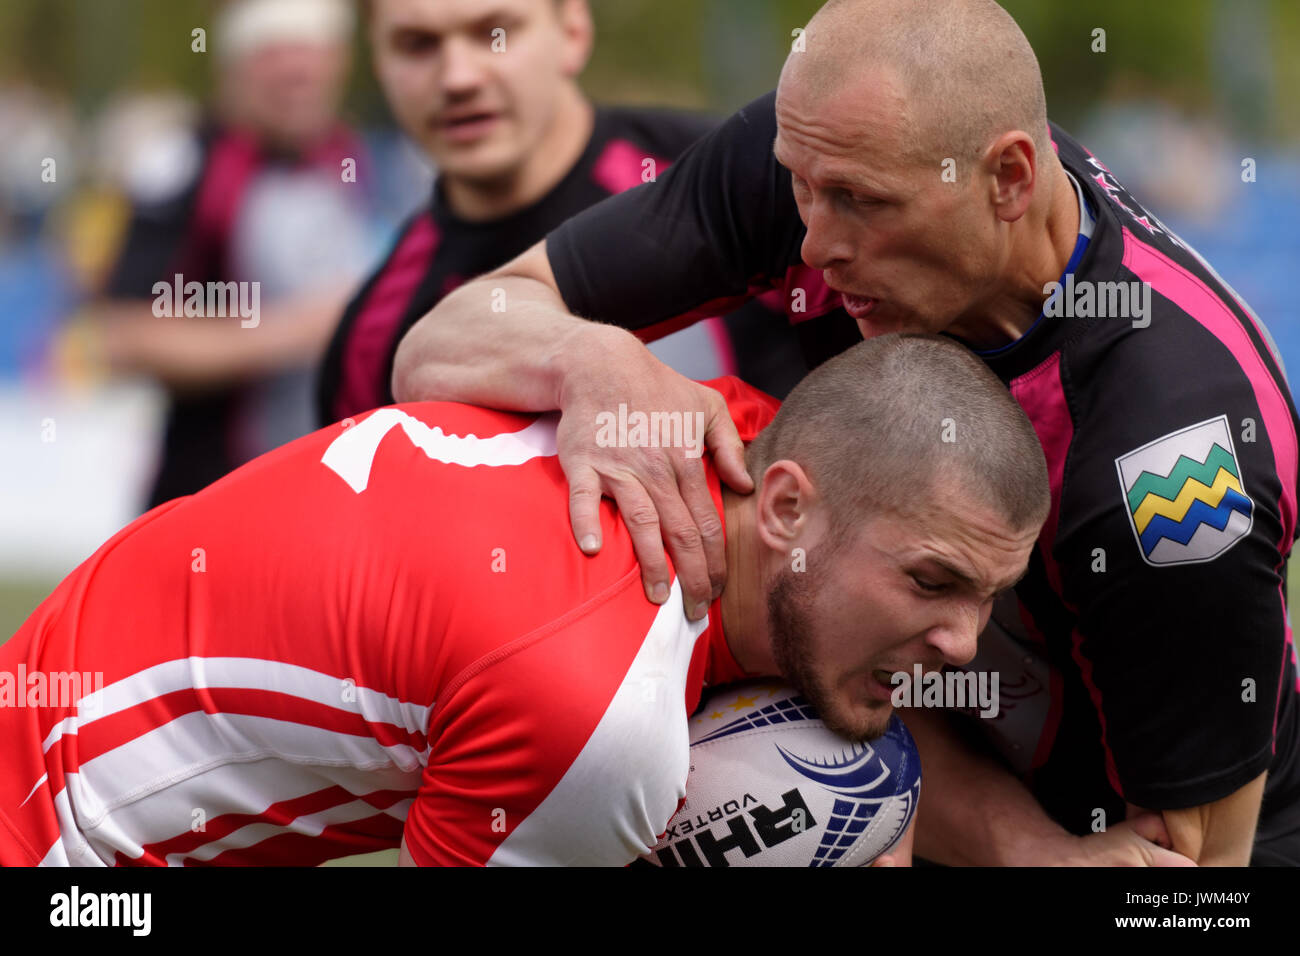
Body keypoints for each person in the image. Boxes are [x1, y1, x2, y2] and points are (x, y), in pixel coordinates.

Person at [392, 0, 1300, 865]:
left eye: (860, 204)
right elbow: (443, 343)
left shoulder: (1170, 471)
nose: (814, 243)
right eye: (801, 188)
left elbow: (1188, 884)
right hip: (926, 773)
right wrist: (599, 369)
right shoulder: (828, 155)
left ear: (1010, 180)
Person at [0, 334, 1050, 866]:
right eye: (929, 582)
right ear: (784, 506)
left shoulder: (718, 429)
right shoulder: (592, 717)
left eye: (984, 595)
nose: (960, 645)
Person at [316, 0, 809, 429]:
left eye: (495, 34)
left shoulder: (746, 181)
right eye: (417, 44)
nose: (457, 77)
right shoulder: (371, 334)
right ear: (379, 61)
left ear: (573, 31)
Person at [70, 0, 372, 508]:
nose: (298, 69)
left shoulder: (345, 156)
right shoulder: (188, 163)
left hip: (326, 497)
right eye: (276, 51)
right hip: (208, 497)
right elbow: (121, 335)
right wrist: (303, 328)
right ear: (235, 64)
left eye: (314, 50)